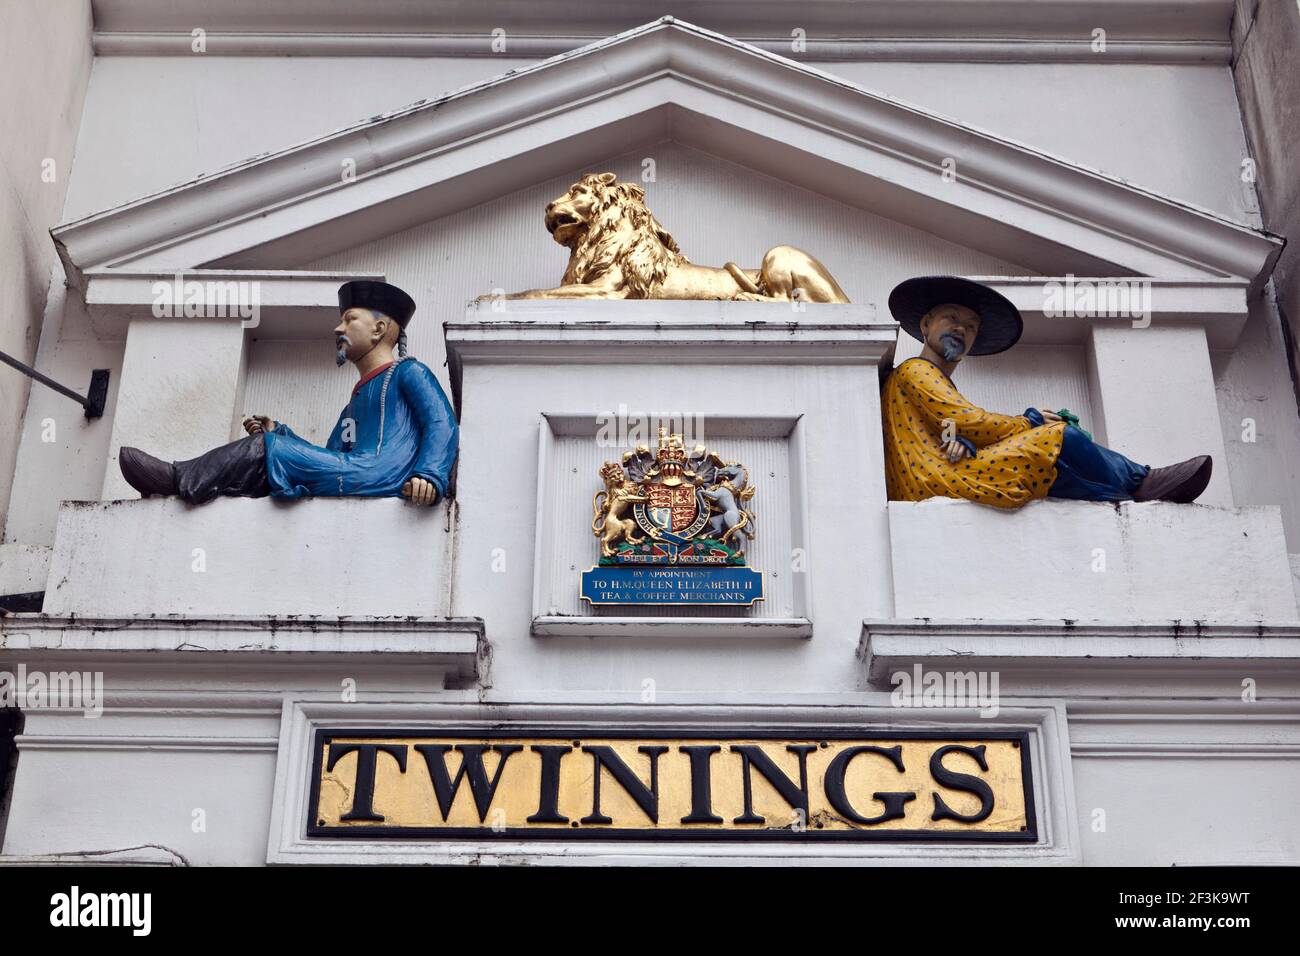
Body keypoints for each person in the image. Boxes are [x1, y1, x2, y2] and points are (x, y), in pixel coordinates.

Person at [117, 280, 458, 507]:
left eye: (350, 319)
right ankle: (204, 482)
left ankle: (179, 479)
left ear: (380, 329)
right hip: (355, 470)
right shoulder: (353, 404)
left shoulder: (409, 373)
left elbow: (441, 424)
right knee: (275, 450)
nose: (338, 328)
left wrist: (429, 474)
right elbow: (329, 457)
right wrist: (281, 433)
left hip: (380, 473)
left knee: (271, 451)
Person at [881, 275, 1212, 509]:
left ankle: (1135, 485)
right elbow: (966, 421)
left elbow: (950, 429)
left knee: (1057, 450)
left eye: (970, 326)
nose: (960, 329)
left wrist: (962, 442)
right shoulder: (916, 370)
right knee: (1060, 439)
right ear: (926, 324)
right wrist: (1029, 421)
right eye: (951, 318)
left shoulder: (926, 377)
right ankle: (1141, 484)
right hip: (937, 481)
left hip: (940, 471)